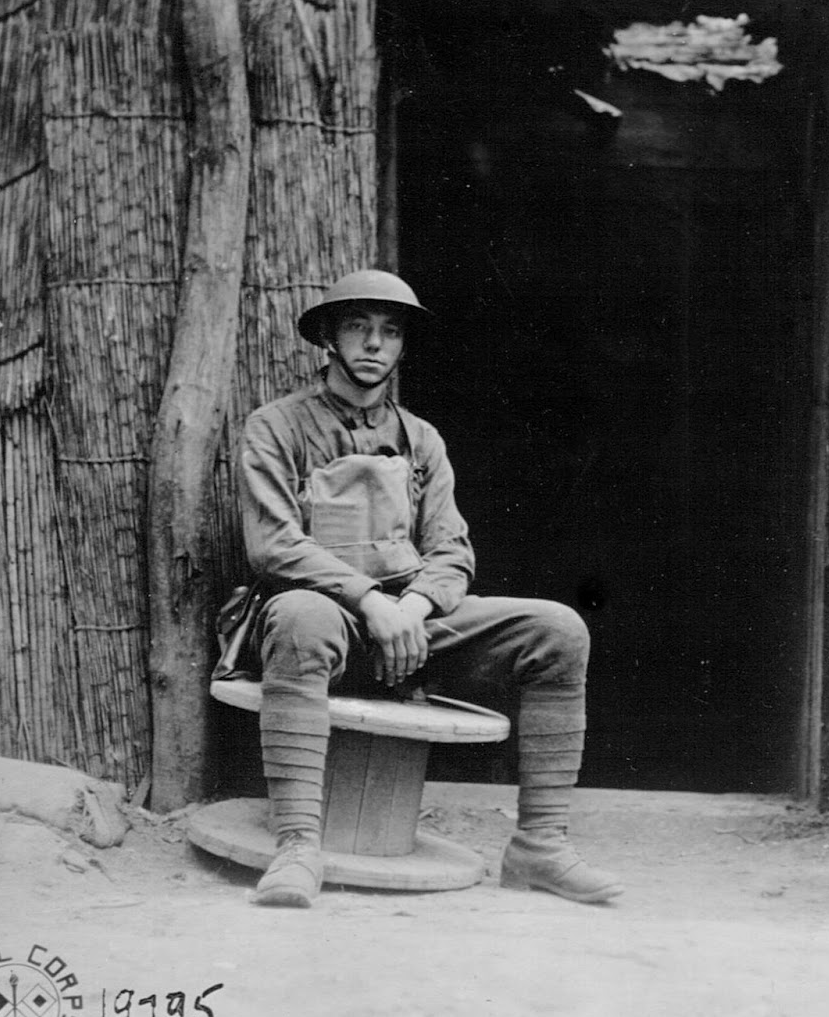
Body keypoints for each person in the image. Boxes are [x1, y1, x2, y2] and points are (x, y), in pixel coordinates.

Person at [228, 268, 621, 909]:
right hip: (324, 628)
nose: (374, 344)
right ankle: (298, 845)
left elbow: (452, 551)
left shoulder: (422, 441)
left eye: (389, 331)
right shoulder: (276, 428)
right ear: (328, 336)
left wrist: (410, 605)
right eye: (358, 327)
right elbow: (274, 544)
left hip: (412, 630)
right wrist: (370, 601)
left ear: (403, 345)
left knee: (558, 630)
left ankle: (540, 846)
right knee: (300, 614)